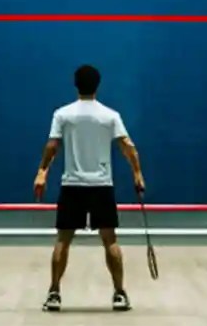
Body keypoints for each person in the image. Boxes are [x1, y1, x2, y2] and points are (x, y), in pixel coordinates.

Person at [33, 64, 145, 312]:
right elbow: (128, 146)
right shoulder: (110, 115)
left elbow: (52, 146)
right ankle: (119, 293)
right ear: (98, 85)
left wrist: (42, 172)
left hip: (72, 186)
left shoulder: (62, 114)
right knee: (110, 241)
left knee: (63, 240)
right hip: (101, 186)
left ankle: (54, 293)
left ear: (76, 84)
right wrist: (137, 174)